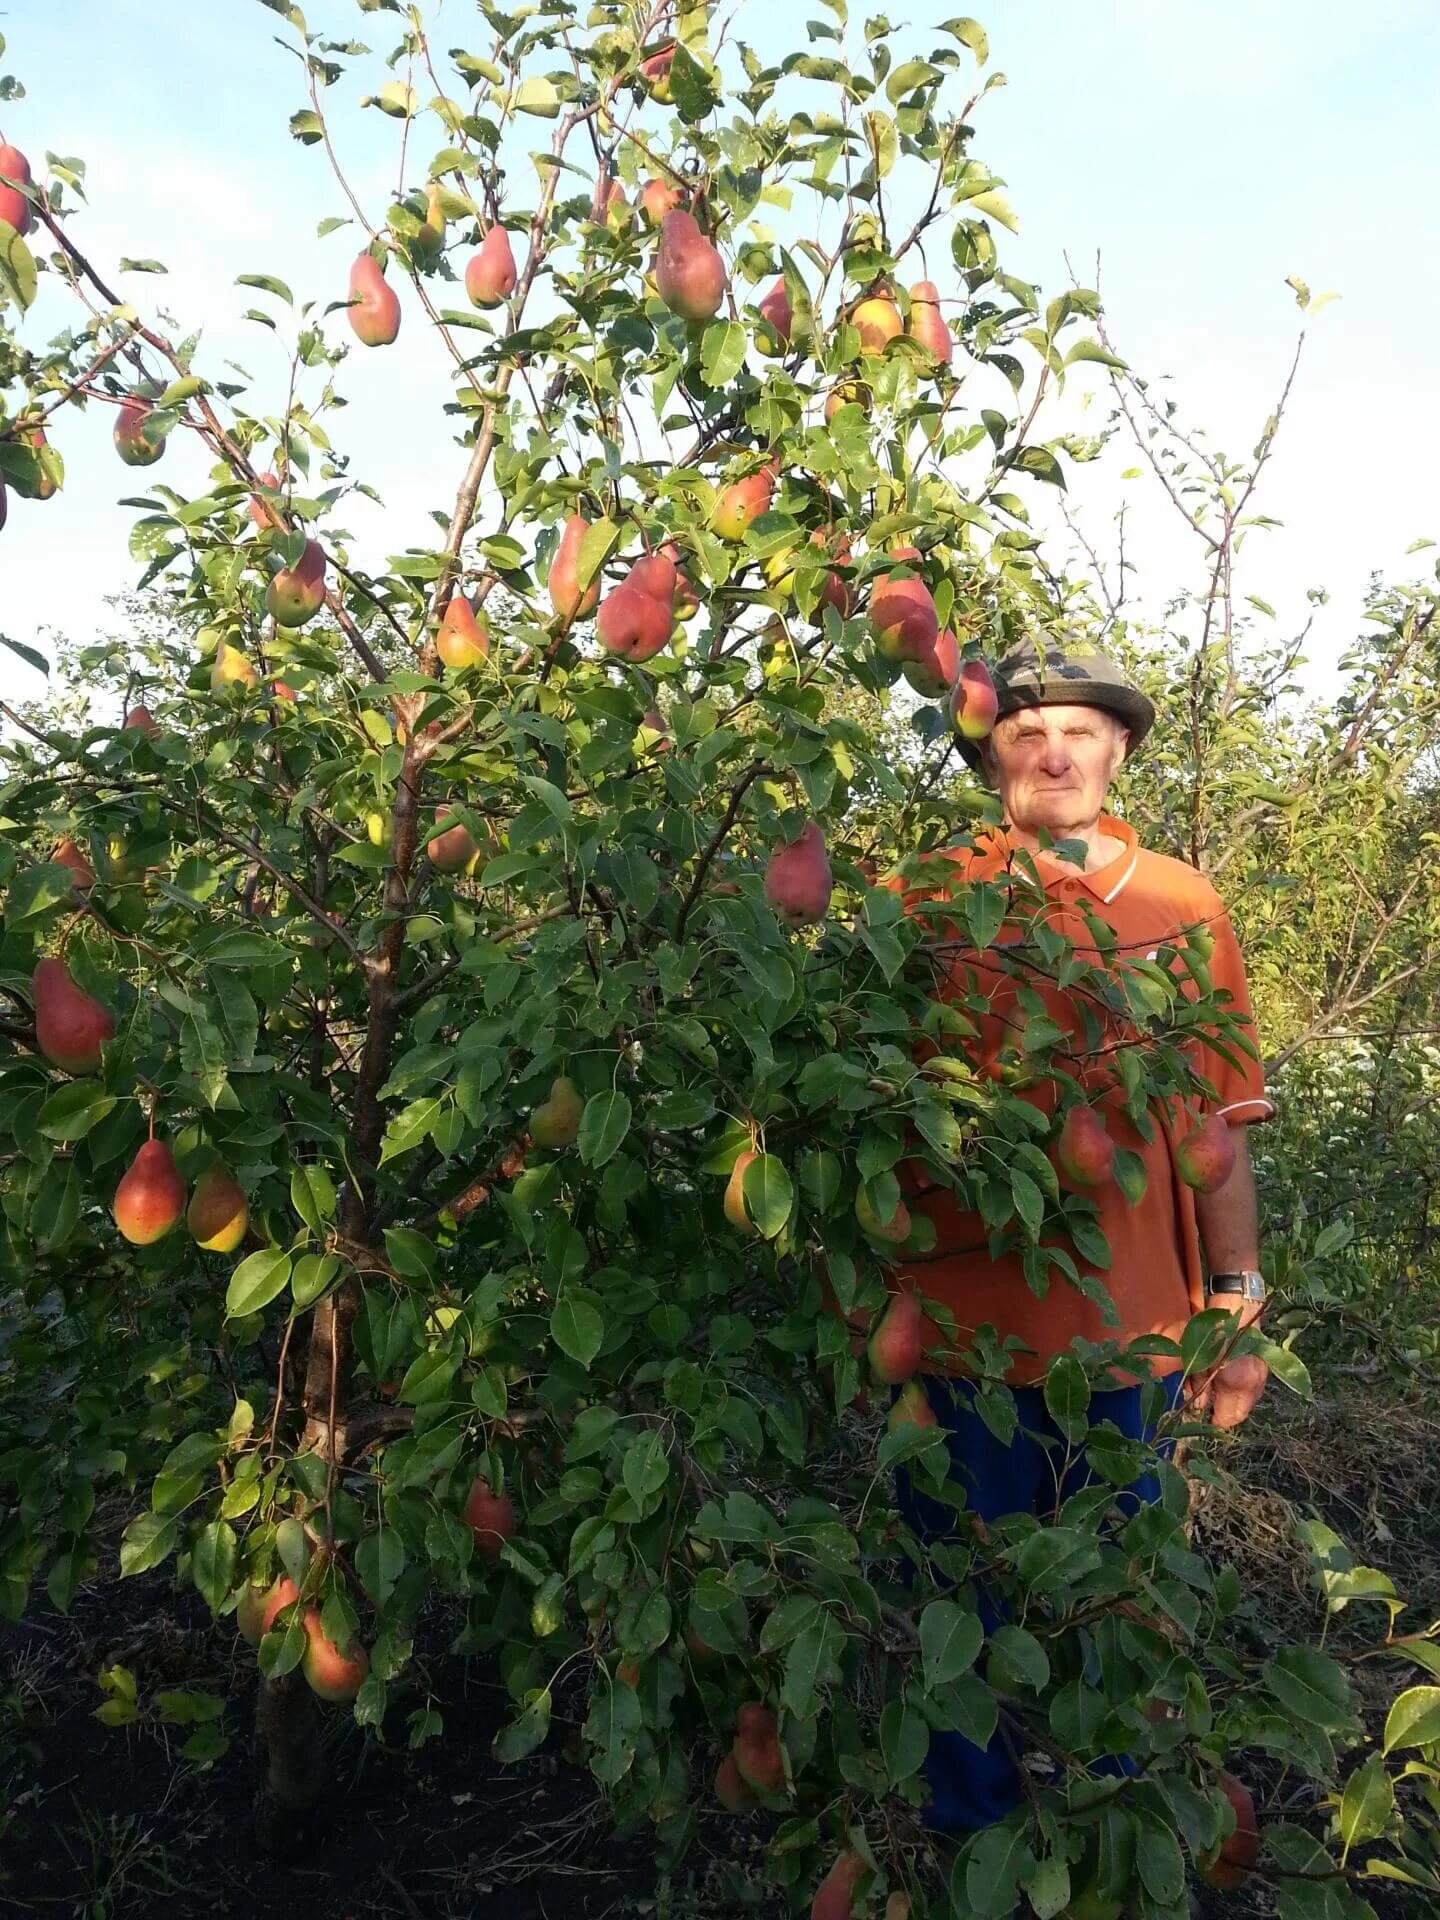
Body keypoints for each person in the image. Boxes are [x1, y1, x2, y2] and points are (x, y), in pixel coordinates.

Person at [888, 641, 1274, 1833]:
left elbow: (1213, 1125)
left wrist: (1238, 1291)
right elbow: (876, 1124)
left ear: (1119, 750)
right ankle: (978, 1843)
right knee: (963, 1606)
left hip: (1138, 1338)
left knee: (1123, 1607)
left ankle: (1117, 1837)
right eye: (1024, 731)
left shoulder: (1180, 903)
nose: (1055, 751)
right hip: (964, 1335)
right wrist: (878, 1311)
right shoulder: (929, 897)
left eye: (1080, 731)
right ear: (988, 753)